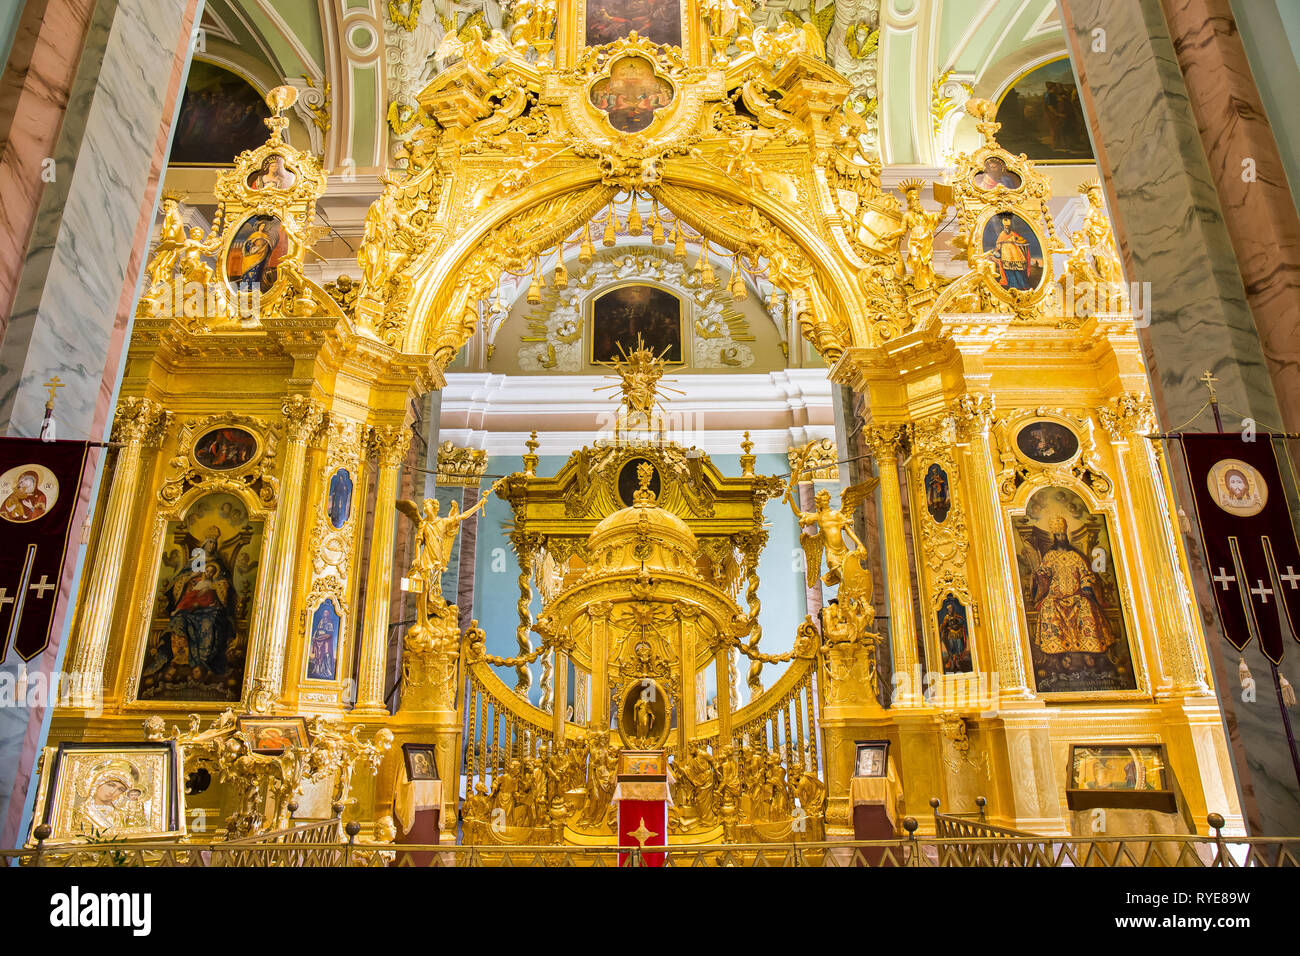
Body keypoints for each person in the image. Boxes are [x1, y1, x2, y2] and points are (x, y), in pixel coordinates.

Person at [1030, 516, 1116, 657]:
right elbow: (1043, 574)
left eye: (1062, 535)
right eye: (1058, 535)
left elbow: (1086, 574)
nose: (1061, 538)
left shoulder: (1075, 556)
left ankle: (1089, 650)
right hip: (1055, 597)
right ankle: (1058, 652)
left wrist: (1086, 586)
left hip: (1077, 596)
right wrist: (1039, 576)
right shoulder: (1050, 556)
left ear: (1065, 536)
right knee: (1049, 608)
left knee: (1087, 606)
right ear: (1054, 537)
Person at [989, 214, 1034, 290]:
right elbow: (998, 244)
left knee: (1019, 269)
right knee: (1009, 270)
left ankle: (1023, 285)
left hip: (1016, 254)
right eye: (1005, 226)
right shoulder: (1001, 235)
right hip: (1007, 255)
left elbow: (1020, 240)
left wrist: (1021, 242)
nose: (1007, 228)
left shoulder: (1013, 234)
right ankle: (1013, 286)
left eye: (1008, 226)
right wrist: (996, 250)